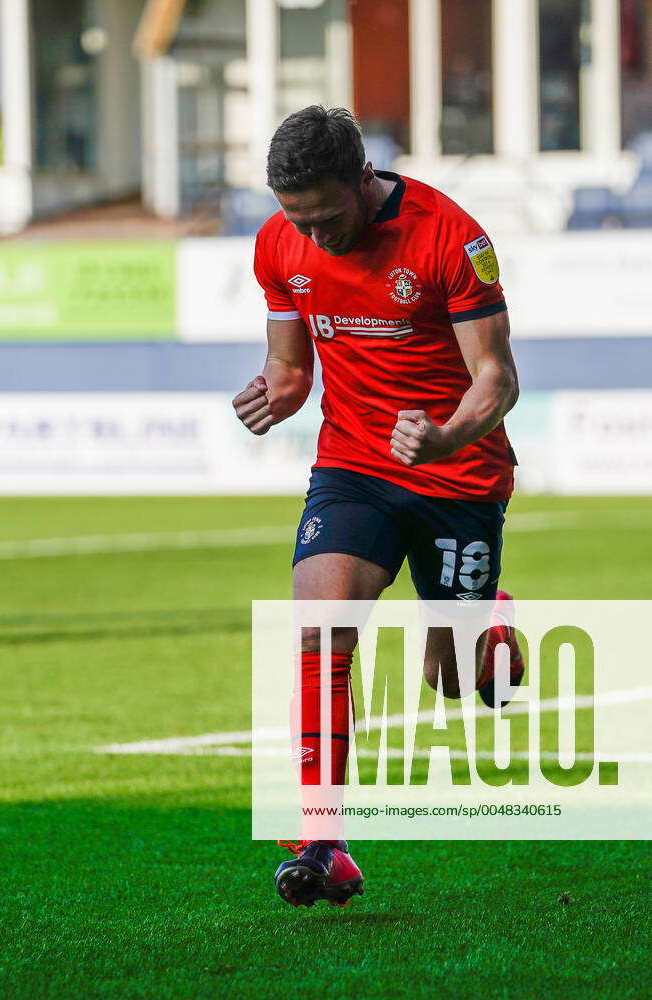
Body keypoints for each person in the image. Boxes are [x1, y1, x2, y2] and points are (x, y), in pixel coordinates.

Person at [232, 106, 524, 909]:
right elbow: (290, 367)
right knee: (318, 632)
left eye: (328, 218)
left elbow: (497, 379)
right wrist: (274, 397)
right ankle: (324, 842)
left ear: (364, 180)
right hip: (354, 464)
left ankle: (485, 618)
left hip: (456, 473)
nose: (315, 238)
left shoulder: (450, 239)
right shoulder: (277, 243)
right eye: (299, 220)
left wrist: (445, 438)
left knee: (455, 677)